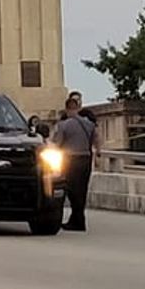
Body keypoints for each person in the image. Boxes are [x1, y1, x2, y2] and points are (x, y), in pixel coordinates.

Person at [50, 91, 99, 231]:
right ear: (78, 108)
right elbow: (95, 140)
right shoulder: (89, 124)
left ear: (67, 109)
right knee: (82, 190)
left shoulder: (63, 125)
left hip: (70, 160)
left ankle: (77, 220)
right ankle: (78, 219)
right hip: (86, 159)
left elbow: (57, 144)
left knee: (71, 190)